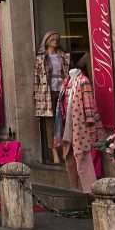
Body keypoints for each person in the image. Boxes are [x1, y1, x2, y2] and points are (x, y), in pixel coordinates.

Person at [57, 54, 102, 193]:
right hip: (67, 123)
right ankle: (75, 187)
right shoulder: (65, 82)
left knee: (82, 154)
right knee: (69, 155)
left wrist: (89, 121)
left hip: (80, 123)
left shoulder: (83, 81)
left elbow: (88, 102)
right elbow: (61, 105)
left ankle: (89, 189)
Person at [34, 30, 69, 164]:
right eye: (53, 38)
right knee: (50, 124)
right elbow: (36, 79)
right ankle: (54, 152)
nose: (56, 41)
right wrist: (36, 99)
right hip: (47, 94)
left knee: (64, 121)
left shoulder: (63, 57)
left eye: (57, 38)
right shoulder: (40, 59)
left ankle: (65, 150)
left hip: (62, 92)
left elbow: (67, 74)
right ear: (47, 41)